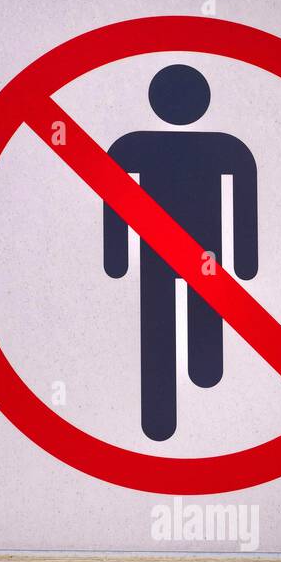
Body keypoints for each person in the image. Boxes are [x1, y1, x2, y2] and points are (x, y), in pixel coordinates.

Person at [103, 64, 258, 441]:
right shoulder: (225, 147)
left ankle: (176, 400)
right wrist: (245, 260)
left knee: (174, 328)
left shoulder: (136, 145)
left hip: (183, 254)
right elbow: (114, 196)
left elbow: (113, 196)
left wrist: (116, 257)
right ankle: (165, 411)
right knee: (170, 330)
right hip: (195, 253)